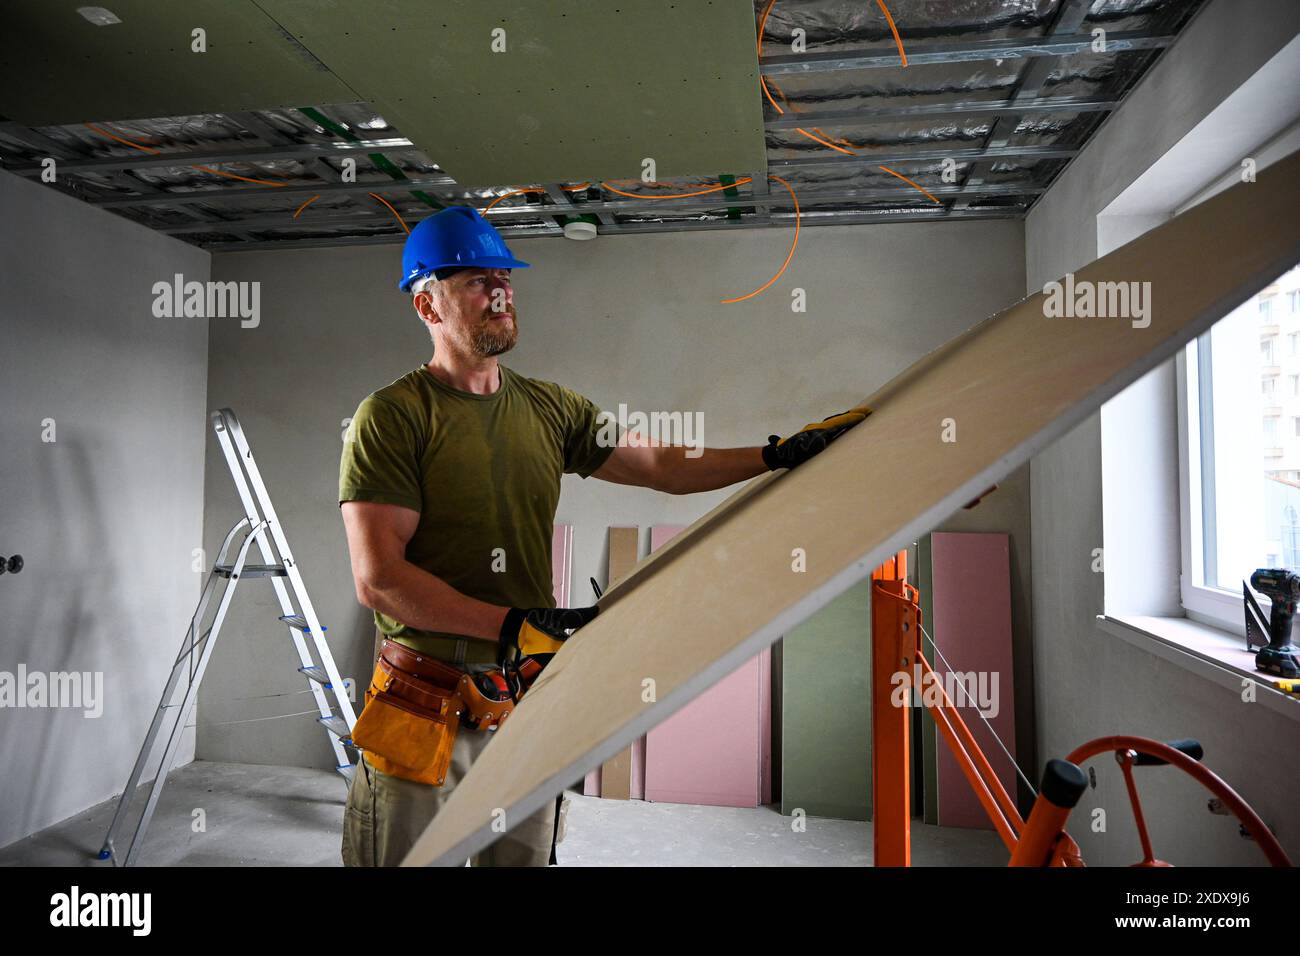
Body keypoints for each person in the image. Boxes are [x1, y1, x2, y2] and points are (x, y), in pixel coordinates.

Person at [338, 205, 868, 866]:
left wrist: (776, 452)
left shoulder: (551, 408)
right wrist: (511, 625)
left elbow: (662, 465)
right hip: (425, 707)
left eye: (504, 277)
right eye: (475, 280)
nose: (500, 292)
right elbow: (380, 577)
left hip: (525, 702)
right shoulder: (392, 418)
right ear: (428, 305)